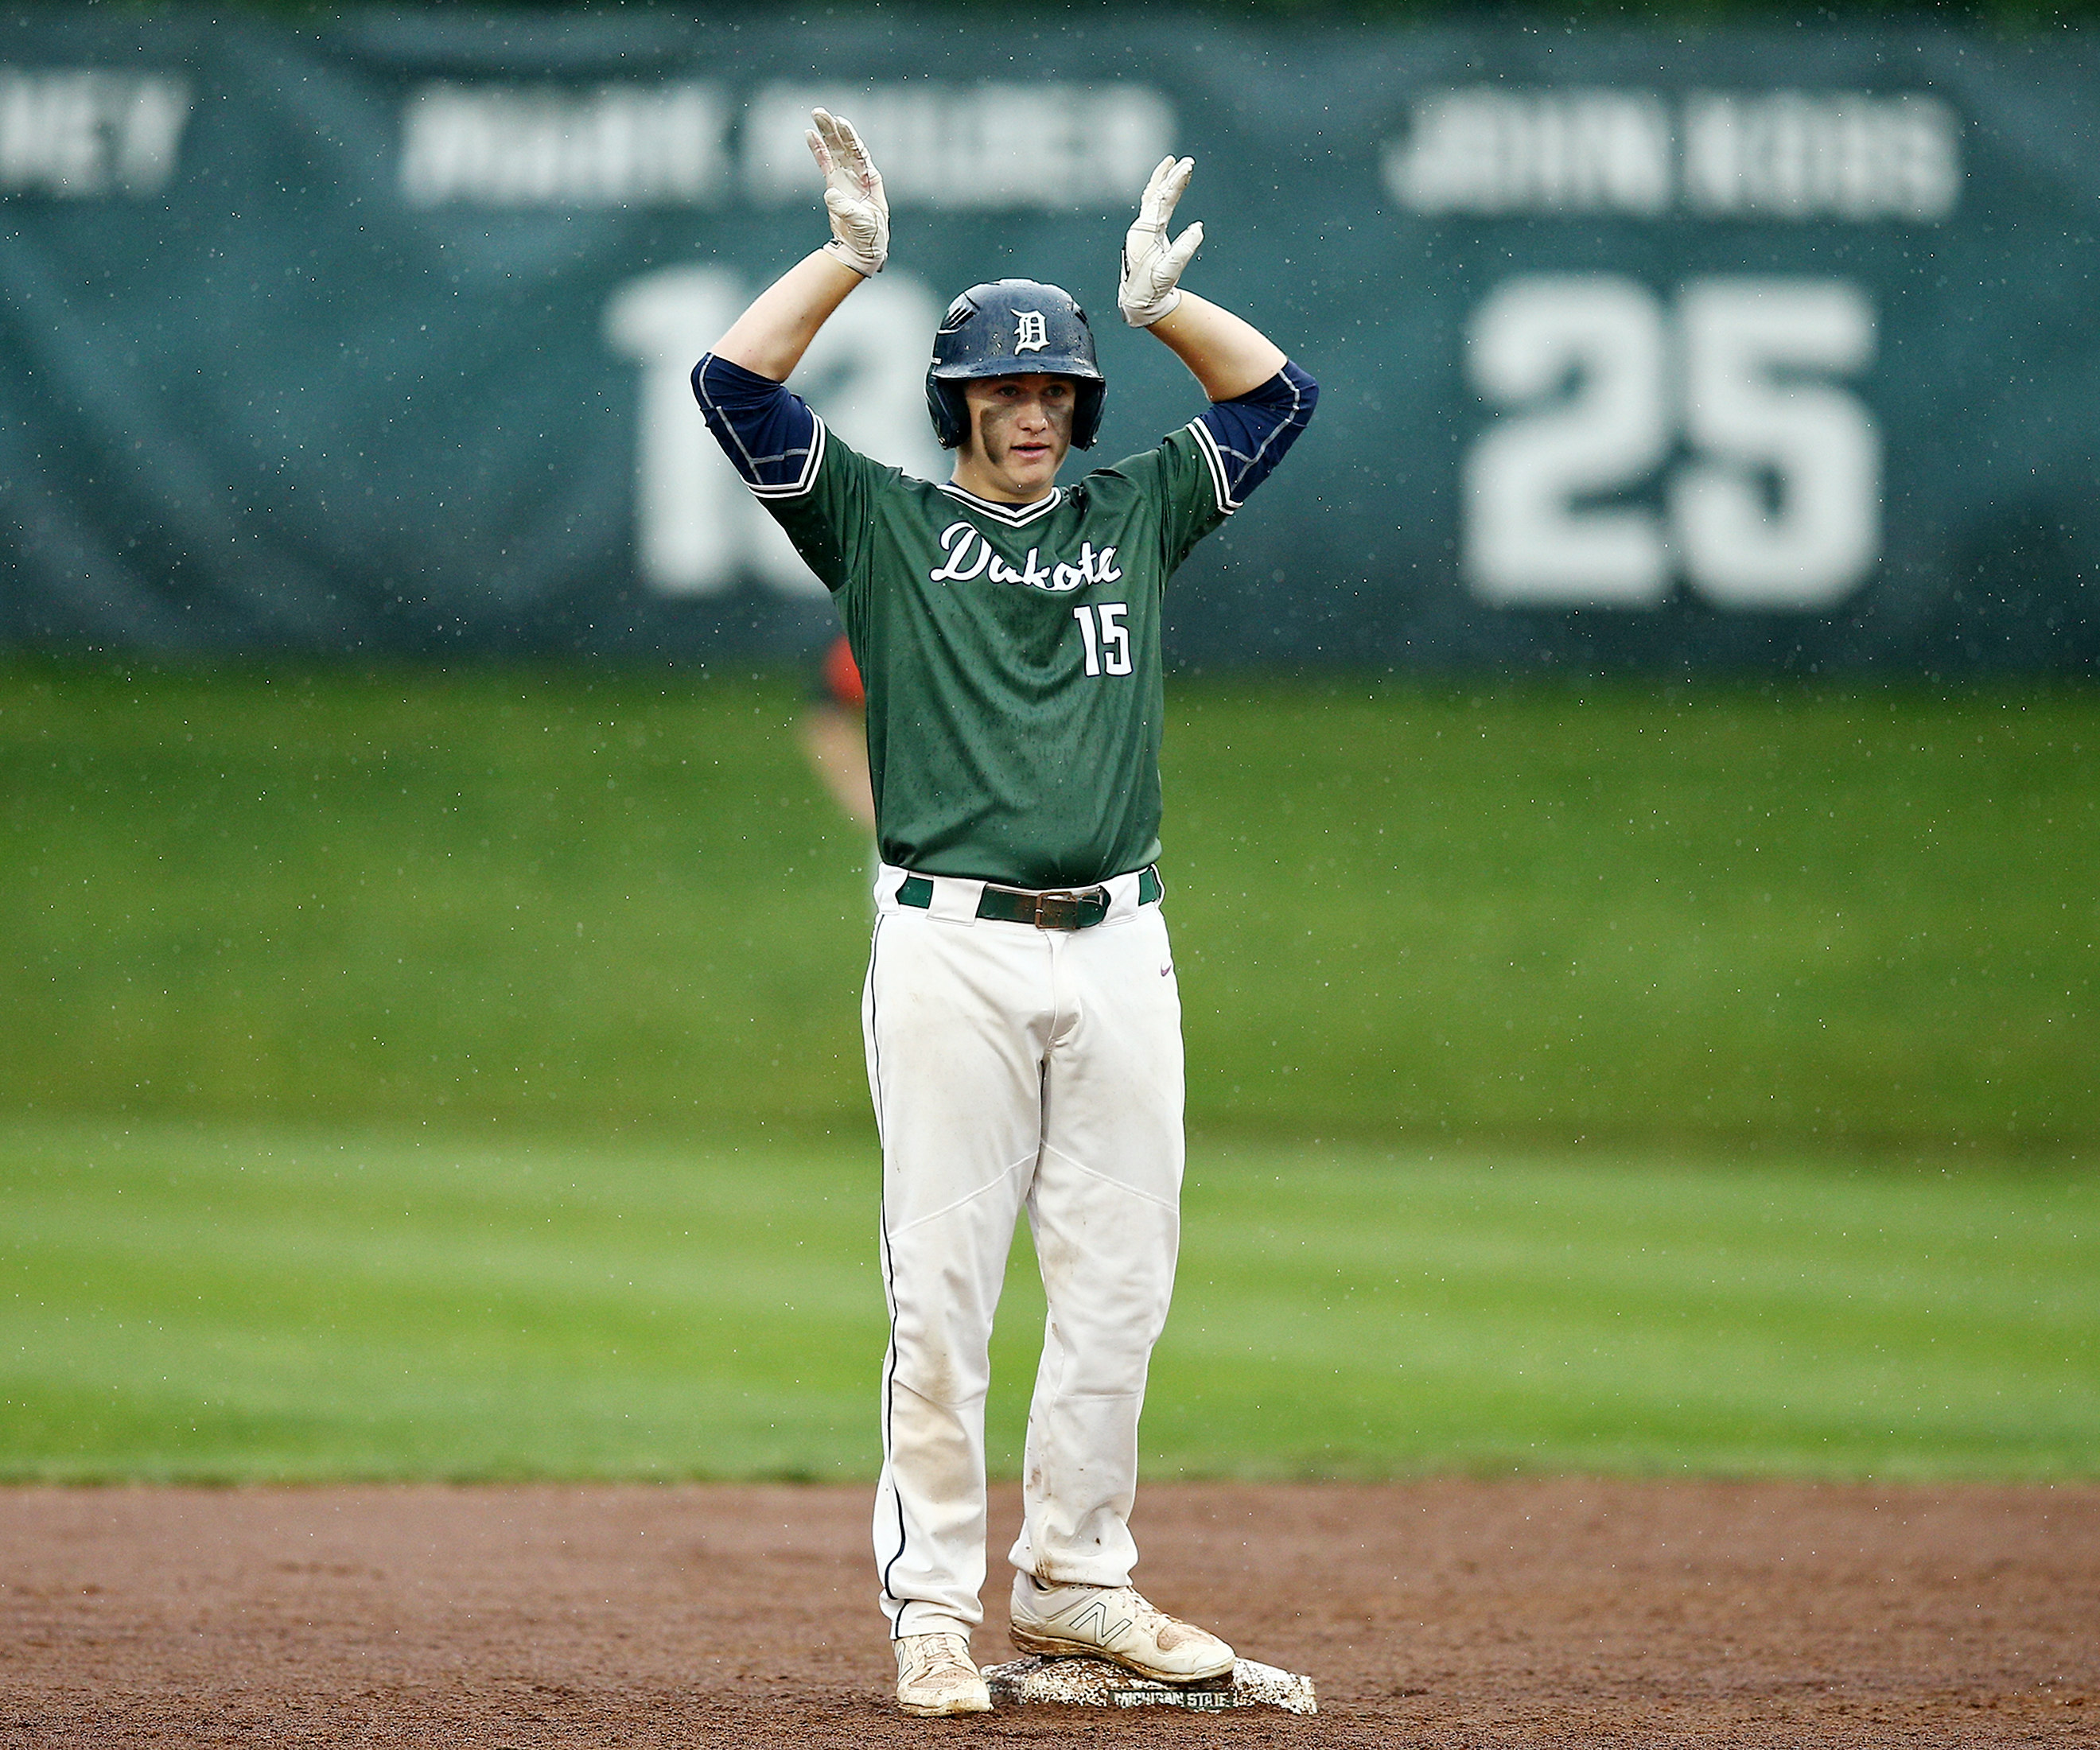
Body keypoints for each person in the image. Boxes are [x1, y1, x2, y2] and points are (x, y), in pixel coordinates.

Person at [692, 110, 1317, 1718]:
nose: (1035, 410)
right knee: (945, 1291)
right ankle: (930, 1609)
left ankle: (1078, 1577)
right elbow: (731, 390)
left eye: (1058, 387)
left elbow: (1280, 400)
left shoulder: (1137, 514)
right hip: (951, 943)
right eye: (1006, 388)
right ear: (957, 403)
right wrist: (842, 263)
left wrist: (1168, 309)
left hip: (1123, 936)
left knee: (1120, 1283)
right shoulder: (886, 526)